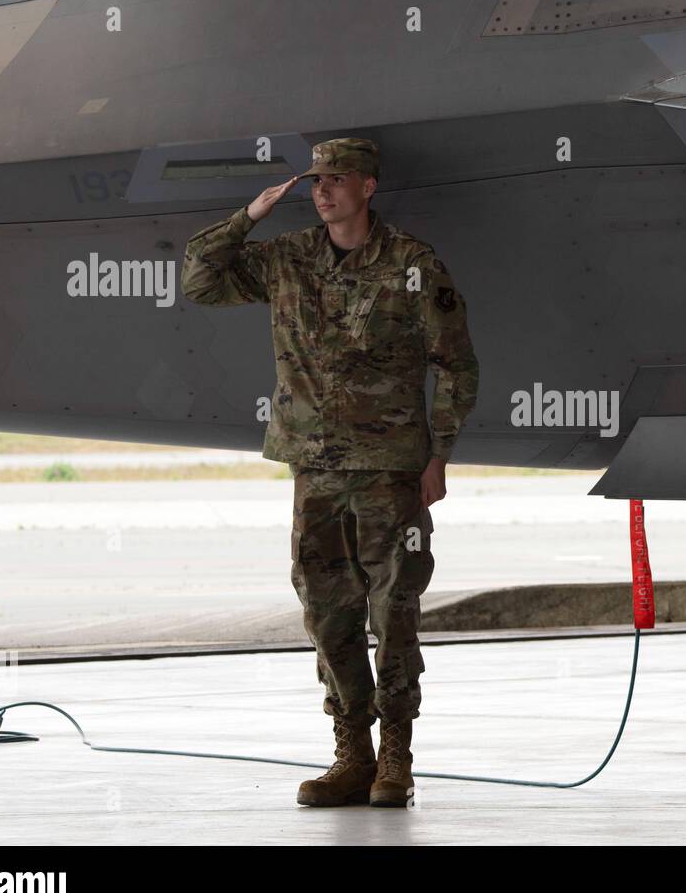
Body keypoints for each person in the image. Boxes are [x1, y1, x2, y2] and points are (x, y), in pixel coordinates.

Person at [180, 137, 479, 807]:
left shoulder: (411, 264)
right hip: (314, 470)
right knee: (326, 614)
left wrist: (440, 455)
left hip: (390, 469)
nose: (323, 191)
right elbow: (200, 280)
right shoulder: (286, 258)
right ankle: (353, 755)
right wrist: (248, 216)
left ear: (368, 186)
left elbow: (456, 364)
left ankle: (396, 760)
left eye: (337, 180)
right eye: (316, 181)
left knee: (393, 610)